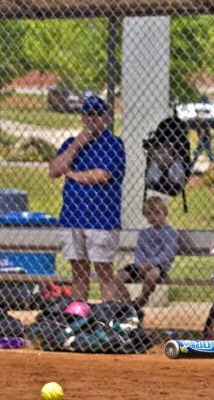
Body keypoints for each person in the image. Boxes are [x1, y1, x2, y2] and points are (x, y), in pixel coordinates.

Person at [49, 95, 126, 302]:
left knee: (104, 273)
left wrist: (73, 175)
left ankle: (108, 319)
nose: (92, 119)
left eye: (97, 114)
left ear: (106, 117)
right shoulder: (71, 143)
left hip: (101, 220)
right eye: (88, 114)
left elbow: (102, 175)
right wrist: (77, 145)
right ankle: (79, 319)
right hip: (72, 217)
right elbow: (55, 170)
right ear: (83, 117)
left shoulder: (113, 143)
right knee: (79, 274)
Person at [110, 196, 178, 309]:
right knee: (117, 278)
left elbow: (168, 253)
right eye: (149, 214)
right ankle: (128, 304)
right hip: (140, 265)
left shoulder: (171, 233)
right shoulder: (144, 233)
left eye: (157, 213)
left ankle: (143, 297)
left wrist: (150, 264)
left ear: (165, 213)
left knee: (153, 274)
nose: (153, 217)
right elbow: (139, 251)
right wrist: (140, 264)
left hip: (159, 266)